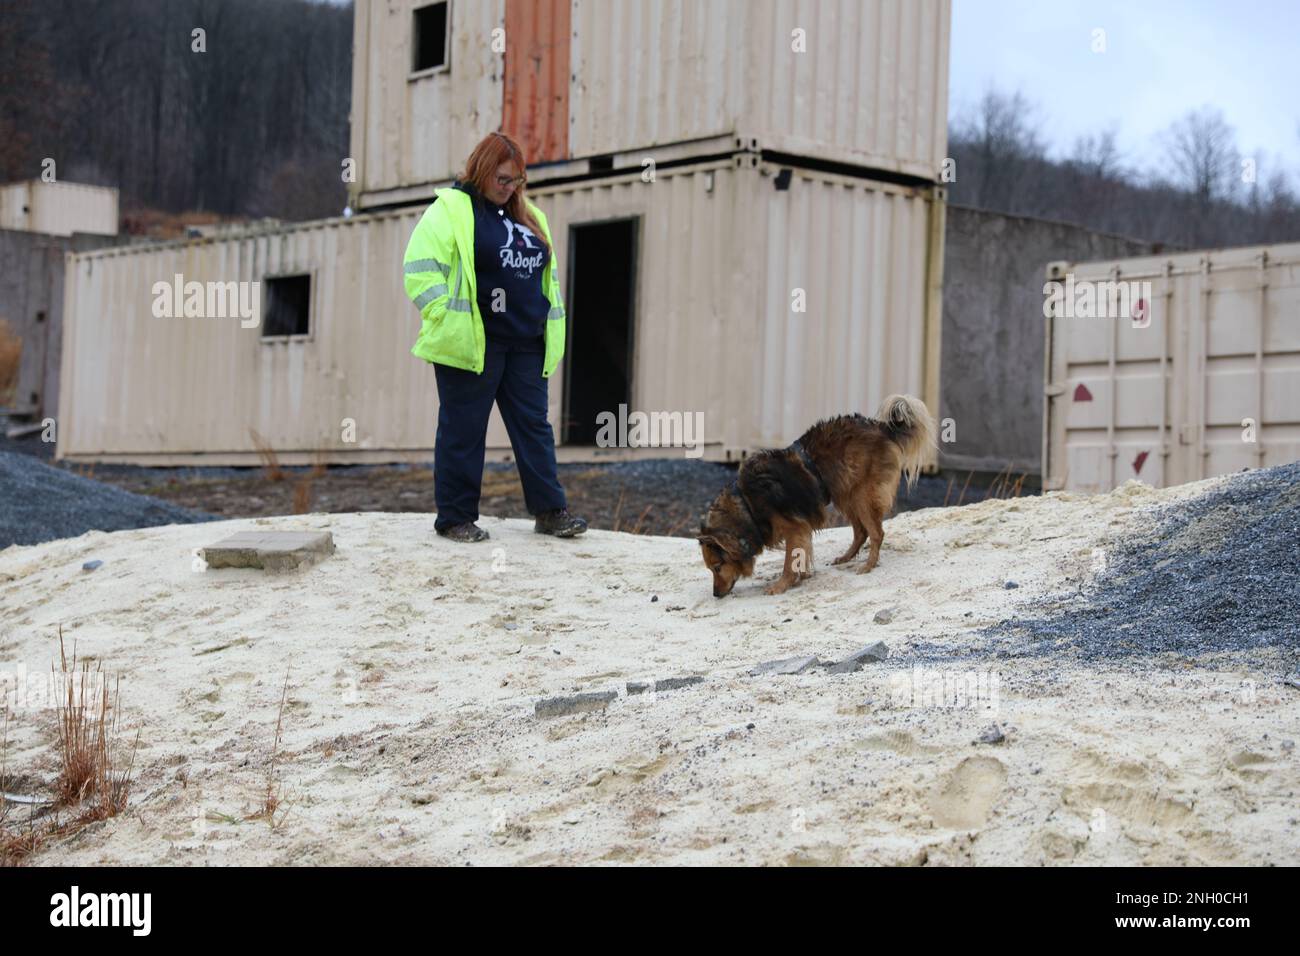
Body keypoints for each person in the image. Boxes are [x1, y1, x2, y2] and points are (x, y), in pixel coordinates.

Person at [402, 132, 587, 543]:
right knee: (464, 430)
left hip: (526, 341)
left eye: (516, 181)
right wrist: (443, 317)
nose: (509, 189)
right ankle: (454, 518)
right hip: (473, 342)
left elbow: (547, 279)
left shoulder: (529, 215)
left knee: (533, 427)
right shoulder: (451, 210)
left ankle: (550, 511)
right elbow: (418, 266)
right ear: (482, 170)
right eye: (502, 179)